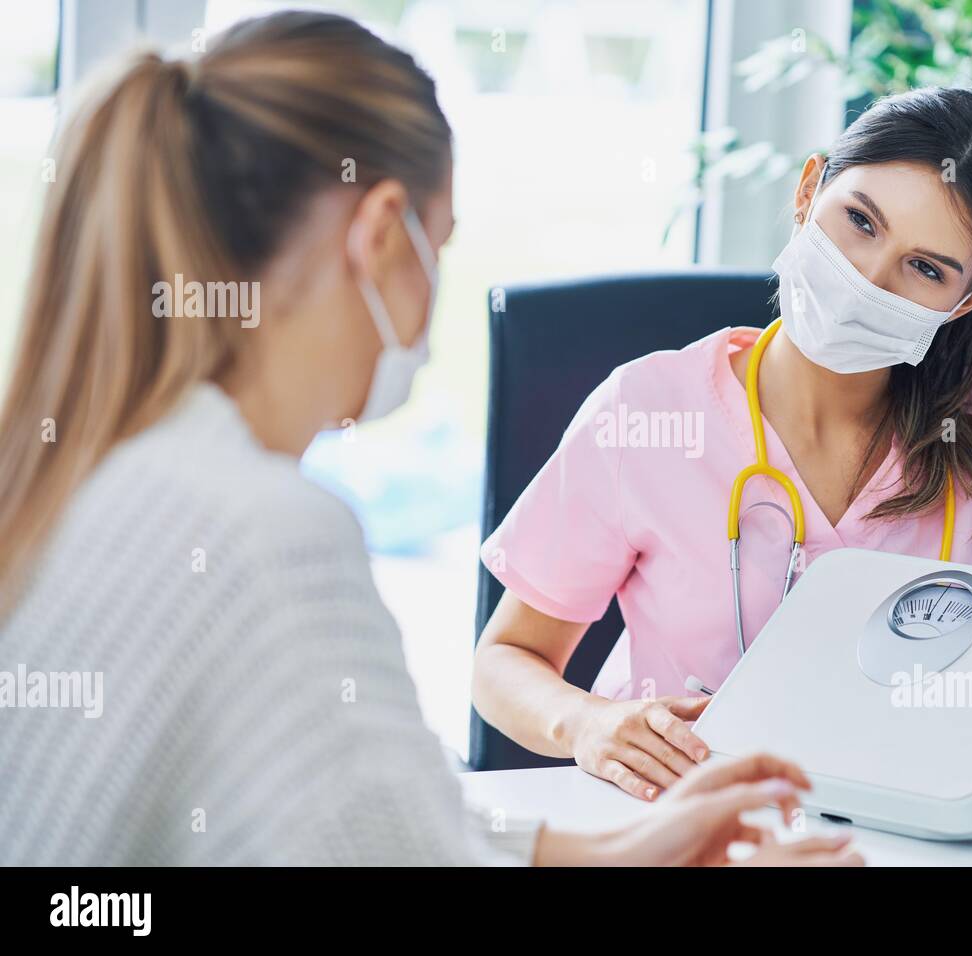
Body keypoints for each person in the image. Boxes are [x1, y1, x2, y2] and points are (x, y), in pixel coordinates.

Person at [0, 11, 861, 867]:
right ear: (378, 237)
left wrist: (617, 855)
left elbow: (366, 806)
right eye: (437, 245)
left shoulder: (81, 466)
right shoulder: (268, 535)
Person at [473, 87, 972, 802]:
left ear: (968, 301)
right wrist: (587, 724)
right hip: (682, 823)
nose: (865, 279)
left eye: (926, 268)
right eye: (859, 221)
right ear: (809, 189)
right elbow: (505, 660)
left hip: (909, 835)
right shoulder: (646, 411)